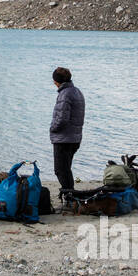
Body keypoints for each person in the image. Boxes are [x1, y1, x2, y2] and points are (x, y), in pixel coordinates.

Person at [48, 66, 84, 195]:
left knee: (60, 170)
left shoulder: (65, 94)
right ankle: (70, 195)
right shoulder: (76, 91)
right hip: (74, 137)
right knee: (66, 169)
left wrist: (52, 128)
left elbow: (62, 118)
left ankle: (69, 196)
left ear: (56, 81)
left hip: (64, 138)